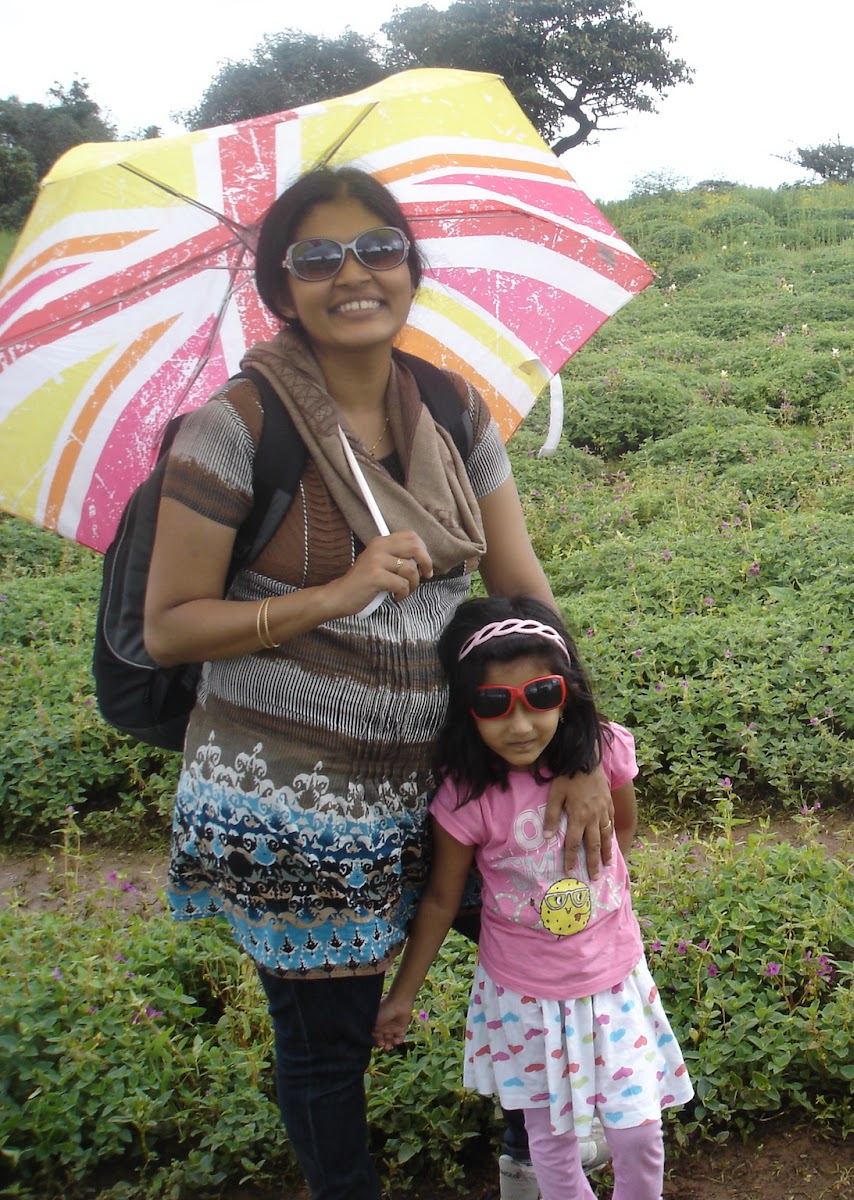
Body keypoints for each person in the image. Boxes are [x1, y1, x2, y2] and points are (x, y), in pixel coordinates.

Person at [145, 166, 614, 1200]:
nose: (352, 273)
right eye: (316, 257)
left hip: (460, 772)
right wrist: (333, 593)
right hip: (297, 802)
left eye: (378, 247)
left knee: (542, 967)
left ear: (411, 264)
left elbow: (520, 586)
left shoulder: (454, 406)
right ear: (281, 286)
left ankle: (529, 1162)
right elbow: (171, 624)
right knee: (329, 1040)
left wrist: (578, 739)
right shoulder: (235, 426)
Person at [373, 595, 693, 1200]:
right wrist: (402, 995)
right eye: (494, 705)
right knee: (551, 1140)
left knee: (639, 1133)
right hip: (523, 997)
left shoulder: (604, 752)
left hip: (613, 981)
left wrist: (599, 900)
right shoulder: (467, 796)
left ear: (566, 692)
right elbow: (442, 900)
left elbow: (621, 831)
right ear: (466, 710)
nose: (520, 725)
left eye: (541, 696)